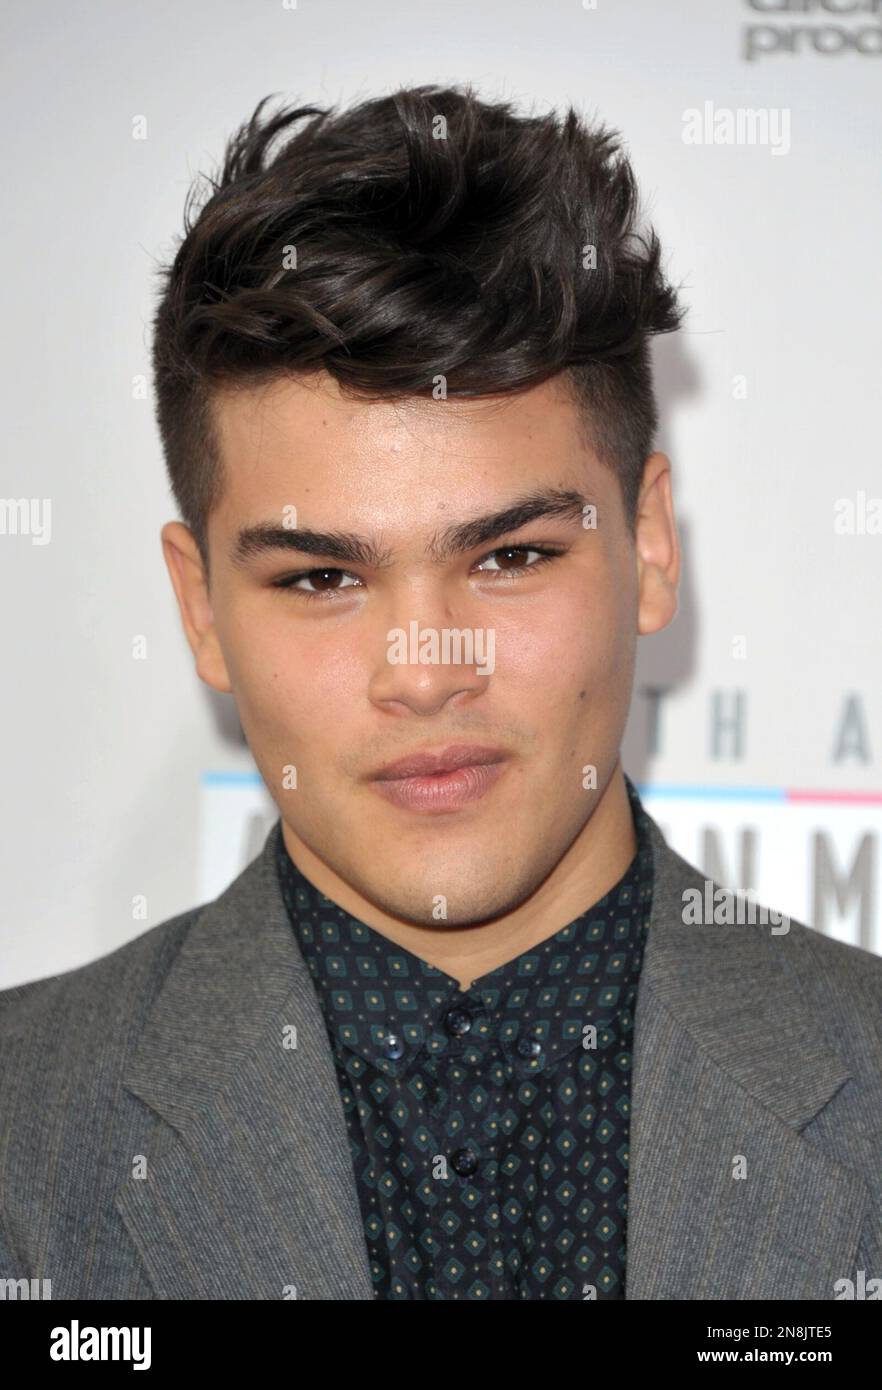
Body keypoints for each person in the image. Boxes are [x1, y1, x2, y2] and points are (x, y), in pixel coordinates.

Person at [1, 85, 879, 1302]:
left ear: (652, 546)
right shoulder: (20, 1127)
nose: (424, 672)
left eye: (511, 556)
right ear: (201, 608)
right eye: (320, 576)